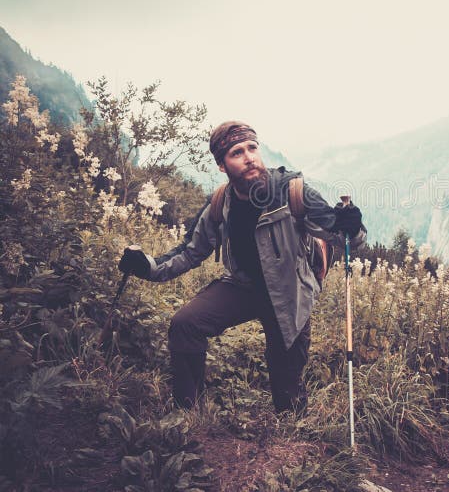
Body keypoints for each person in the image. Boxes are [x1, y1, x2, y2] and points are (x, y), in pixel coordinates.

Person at [118, 121, 365, 412]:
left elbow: (345, 237)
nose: (249, 157)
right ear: (222, 165)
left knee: (287, 395)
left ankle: (291, 432)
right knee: (186, 324)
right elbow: (190, 251)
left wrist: (352, 226)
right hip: (242, 286)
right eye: (237, 152)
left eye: (252, 148)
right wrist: (147, 267)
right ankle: (187, 415)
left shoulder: (293, 192)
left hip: (288, 296)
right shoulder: (221, 202)